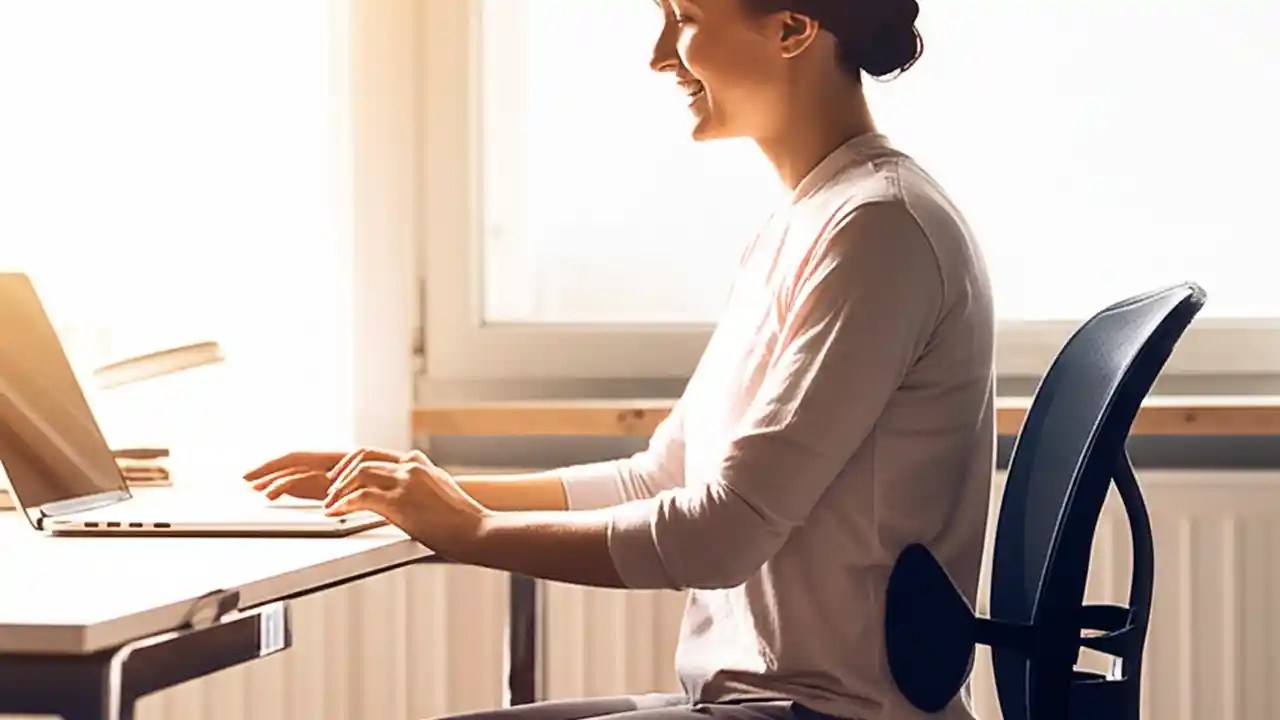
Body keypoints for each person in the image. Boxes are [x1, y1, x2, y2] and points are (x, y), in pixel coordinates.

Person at [243, 0, 995, 717]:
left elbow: (722, 534)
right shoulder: (808, 221)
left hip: (829, 712)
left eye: (685, 19)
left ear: (793, 28)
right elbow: (660, 479)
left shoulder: (879, 230)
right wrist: (421, 491)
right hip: (751, 702)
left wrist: (472, 531)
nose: (661, 56)